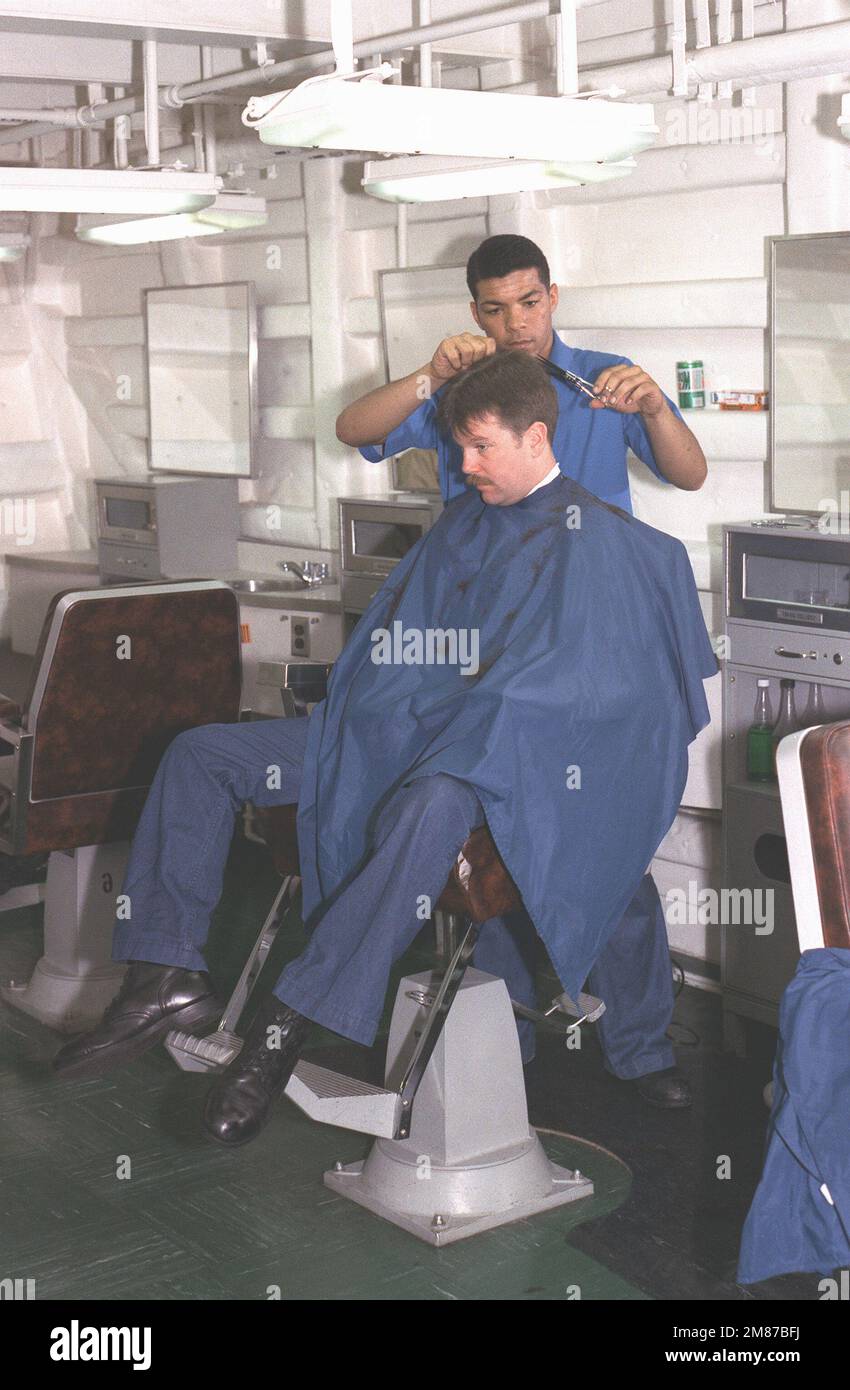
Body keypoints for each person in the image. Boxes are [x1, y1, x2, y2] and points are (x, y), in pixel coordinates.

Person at [53, 353, 716, 1150]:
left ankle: (281, 1028)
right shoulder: (464, 521)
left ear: (537, 437)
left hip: (503, 763)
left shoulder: (617, 546)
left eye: (479, 448)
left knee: (436, 805)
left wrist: (491, 716)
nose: (462, 467)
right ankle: (161, 976)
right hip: (393, 733)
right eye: (457, 448)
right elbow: (395, 652)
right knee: (202, 754)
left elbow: (621, 701)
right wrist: (388, 705)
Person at [336, 234, 708, 1106]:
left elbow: (689, 475)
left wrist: (654, 407)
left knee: (610, 843)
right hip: (493, 643)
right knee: (494, 839)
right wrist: (428, 378)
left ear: (553, 296)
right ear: (475, 313)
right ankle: (506, 1041)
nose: (515, 322)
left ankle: (640, 1046)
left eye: (529, 302)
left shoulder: (603, 381)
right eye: (495, 308)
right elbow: (354, 428)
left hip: (590, 647)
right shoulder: (464, 393)